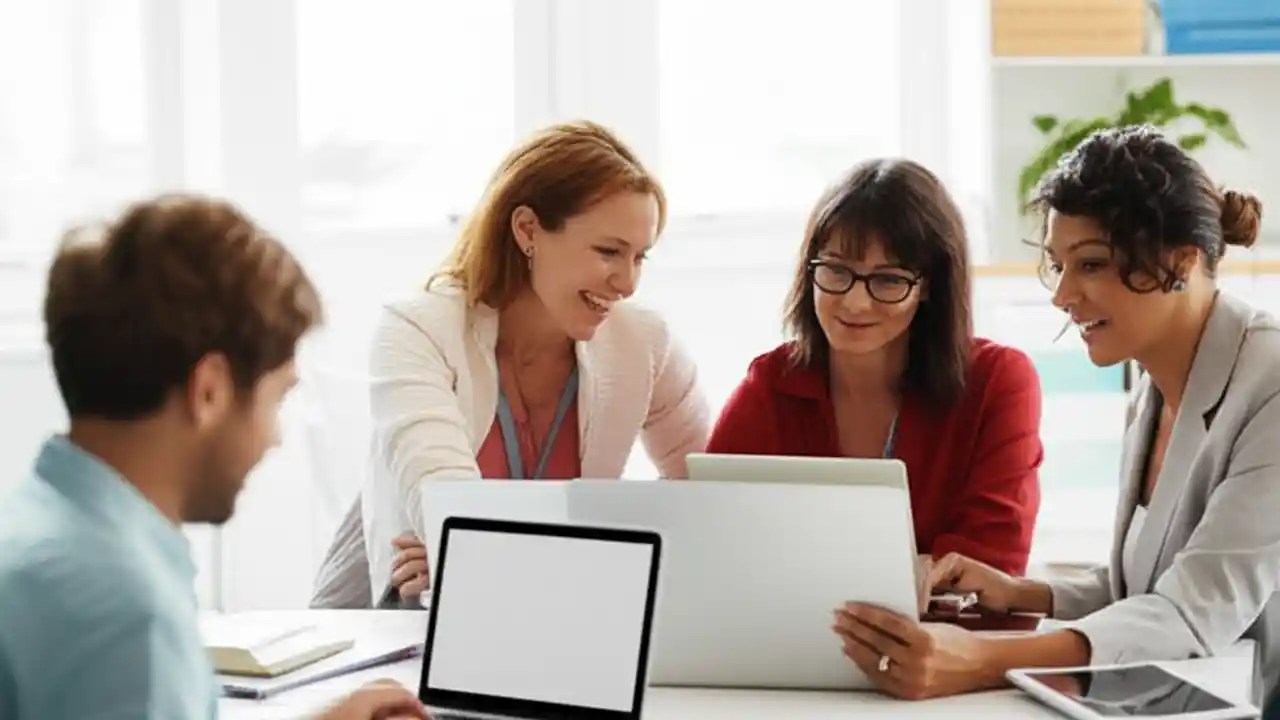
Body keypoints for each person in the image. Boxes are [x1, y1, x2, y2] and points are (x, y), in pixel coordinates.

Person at [833, 125, 1280, 711]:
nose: (1062, 294)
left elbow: (1194, 611)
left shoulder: (1269, 386)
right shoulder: (1153, 387)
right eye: (1057, 265)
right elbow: (1144, 588)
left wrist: (979, 660)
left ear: (1181, 261)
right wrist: (1026, 593)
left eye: (1090, 265)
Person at [0, 196, 428, 719]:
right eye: (278, 398)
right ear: (210, 391)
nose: (274, 438)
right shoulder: (124, 612)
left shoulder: (44, 527)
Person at [310, 120, 711, 609]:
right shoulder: (417, 330)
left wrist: (479, 554)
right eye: (608, 252)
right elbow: (453, 516)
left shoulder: (642, 342)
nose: (627, 283)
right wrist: (594, 554)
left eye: (640, 257)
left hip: (553, 620)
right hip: (397, 627)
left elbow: (710, 495)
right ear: (528, 231)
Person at [704, 158, 1044, 576]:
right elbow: (713, 540)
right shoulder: (772, 385)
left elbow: (992, 562)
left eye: (888, 280)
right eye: (836, 271)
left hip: (953, 639)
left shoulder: (998, 380)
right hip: (793, 635)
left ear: (929, 287)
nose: (855, 302)